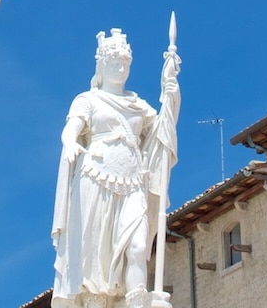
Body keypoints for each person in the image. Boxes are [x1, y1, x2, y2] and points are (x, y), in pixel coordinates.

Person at [52, 28, 180, 308]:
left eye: (125, 64)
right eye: (114, 63)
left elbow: (162, 133)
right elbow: (71, 129)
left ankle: (135, 302)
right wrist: (71, 143)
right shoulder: (88, 100)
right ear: (102, 65)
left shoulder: (137, 105)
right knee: (96, 255)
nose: (120, 69)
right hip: (95, 178)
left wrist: (172, 97)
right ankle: (96, 300)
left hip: (133, 182)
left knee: (137, 247)